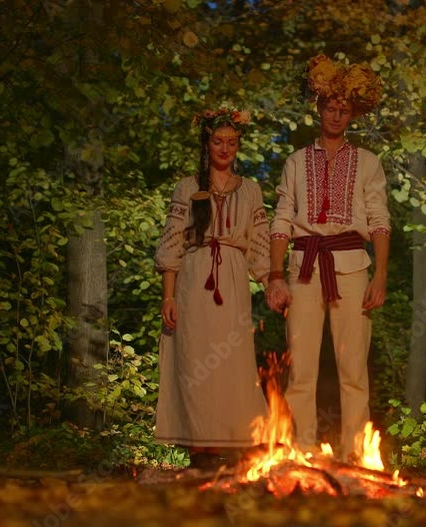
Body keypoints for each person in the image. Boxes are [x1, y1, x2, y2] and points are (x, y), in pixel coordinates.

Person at [266, 54, 391, 459]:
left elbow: (380, 222)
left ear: (352, 115)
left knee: (353, 369)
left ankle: (355, 453)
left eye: (344, 110)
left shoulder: (368, 163)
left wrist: (381, 276)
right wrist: (275, 275)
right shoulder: (296, 162)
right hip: (302, 267)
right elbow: (282, 219)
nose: (336, 116)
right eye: (330, 108)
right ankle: (302, 450)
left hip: (353, 267)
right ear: (318, 108)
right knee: (301, 367)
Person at [154, 108, 270, 470]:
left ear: (238, 146)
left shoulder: (250, 190)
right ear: (206, 143)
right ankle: (200, 453)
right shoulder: (188, 187)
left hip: (233, 280)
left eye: (232, 142)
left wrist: (272, 284)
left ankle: (237, 447)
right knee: (195, 360)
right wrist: (168, 296)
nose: (225, 148)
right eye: (218, 141)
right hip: (194, 279)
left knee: (233, 364)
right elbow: (173, 244)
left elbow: (260, 244)